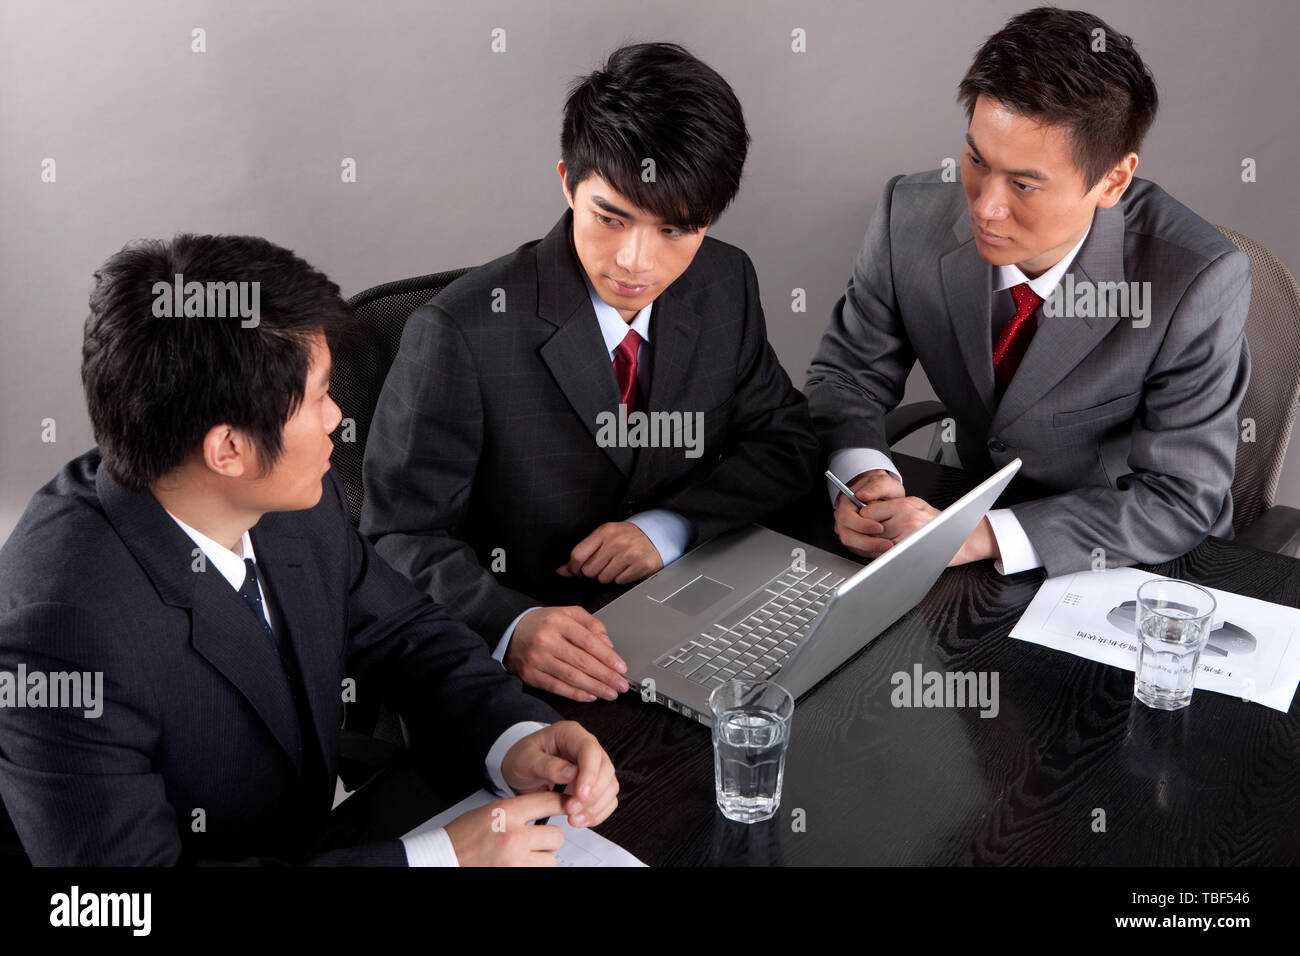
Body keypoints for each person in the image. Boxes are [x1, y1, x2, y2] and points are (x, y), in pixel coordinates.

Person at [0, 234, 618, 866]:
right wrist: (436, 862)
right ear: (229, 450)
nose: (336, 418)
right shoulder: (58, 635)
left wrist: (513, 737)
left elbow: (404, 631)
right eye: (320, 395)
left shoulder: (284, 497)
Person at [362, 42, 818, 703]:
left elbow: (787, 442)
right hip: (530, 665)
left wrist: (668, 529)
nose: (636, 262)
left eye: (676, 231)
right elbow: (396, 536)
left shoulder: (726, 281)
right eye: (611, 218)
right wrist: (509, 625)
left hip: (686, 611)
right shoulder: (458, 334)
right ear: (567, 182)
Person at [805, 6, 1250, 576]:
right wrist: (865, 477)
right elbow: (847, 377)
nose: (985, 207)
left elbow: (1180, 498)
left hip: (1125, 554)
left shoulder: (1196, 278)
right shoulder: (907, 217)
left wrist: (978, 533)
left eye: (1023, 184)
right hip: (963, 509)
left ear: (1112, 180)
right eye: (975, 160)